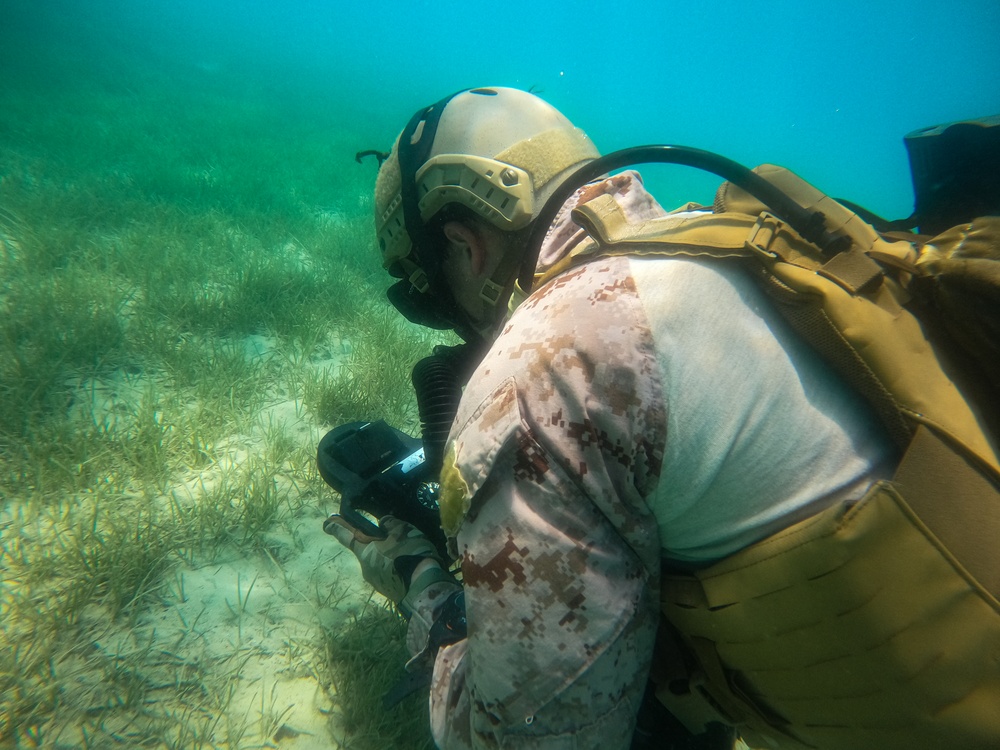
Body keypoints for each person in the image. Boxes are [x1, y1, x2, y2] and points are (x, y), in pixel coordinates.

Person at [327, 87, 1000, 749]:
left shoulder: (540, 369)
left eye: (428, 289)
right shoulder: (729, 242)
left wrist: (427, 595)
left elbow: (529, 743)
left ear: (465, 245)